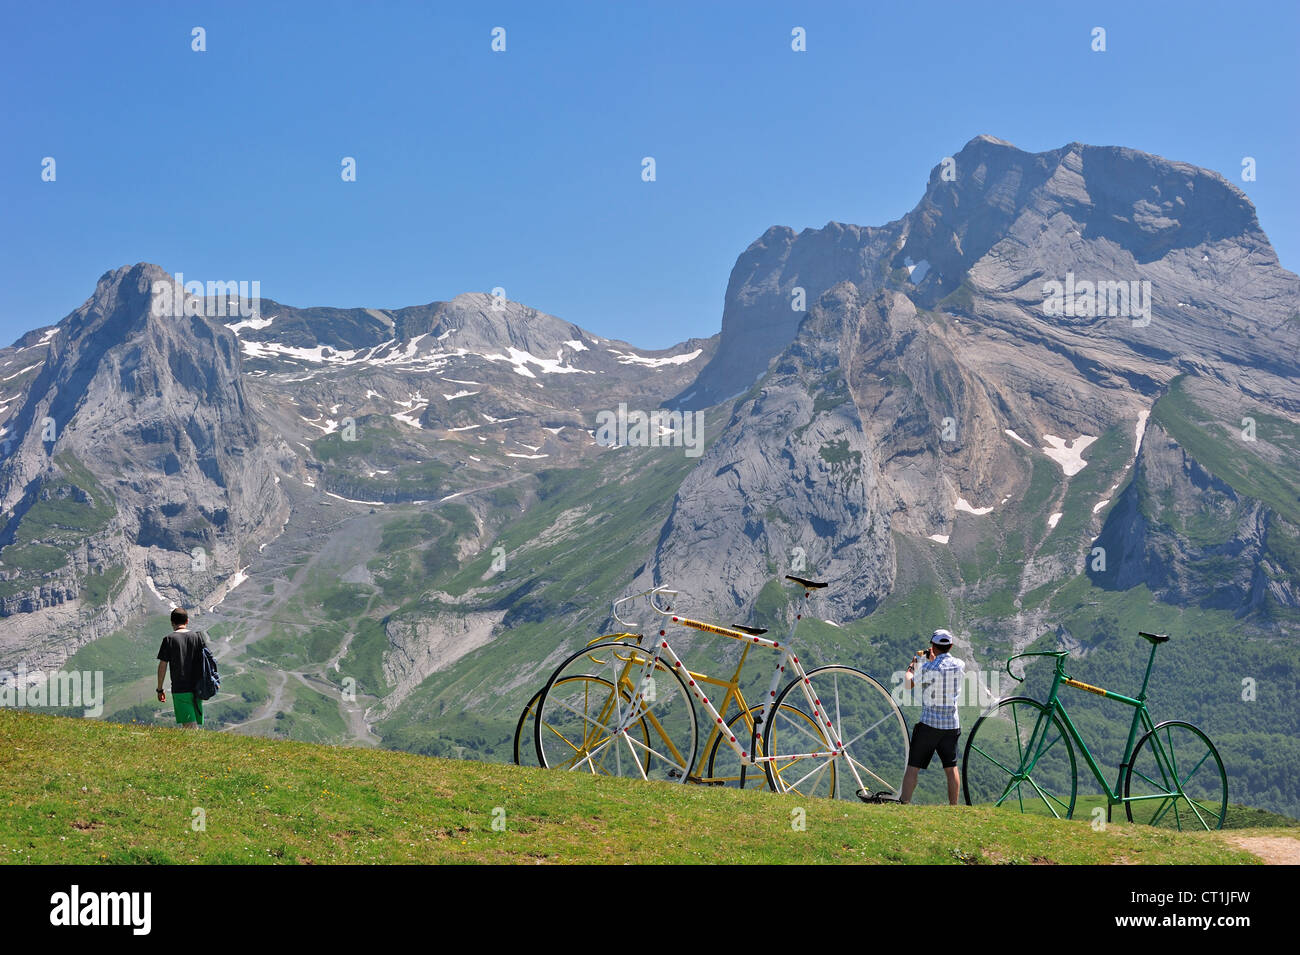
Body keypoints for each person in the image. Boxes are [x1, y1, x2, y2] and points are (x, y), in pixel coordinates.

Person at [899, 628, 965, 805]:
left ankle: (904, 802)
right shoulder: (960, 664)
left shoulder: (928, 667)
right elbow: (944, 667)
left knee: (914, 766)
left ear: (932, 646)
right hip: (951, 724)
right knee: (951, 768)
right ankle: (953, 808)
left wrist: (912, 666)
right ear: (950, 646)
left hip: (929, 724)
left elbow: (908, 684)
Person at [156, 608, 209, 729]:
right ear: (187, 621)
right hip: (198, 688)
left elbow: (162, 666)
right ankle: (197, 746)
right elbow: (206, 660)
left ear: (172, 622)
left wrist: (160, 689)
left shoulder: (169, 640)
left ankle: (195, 747)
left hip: (181, 688)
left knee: (189, 726)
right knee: (192, 724)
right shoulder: (197, 637)